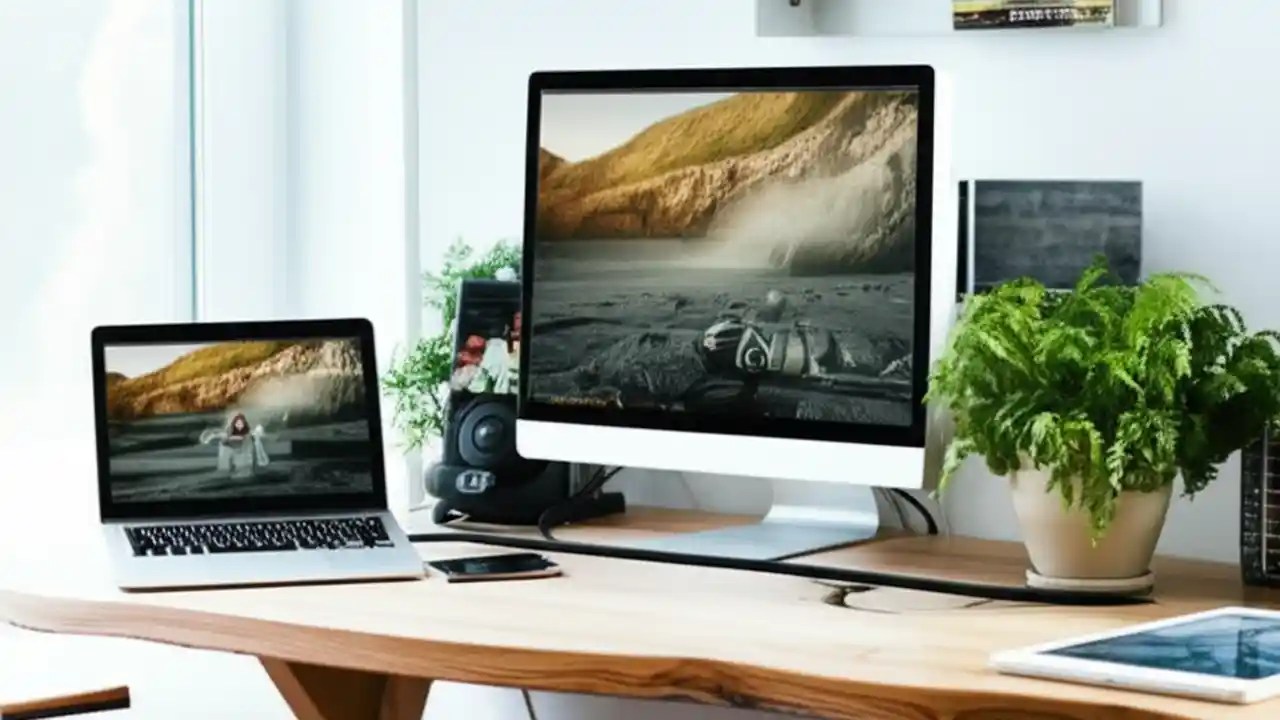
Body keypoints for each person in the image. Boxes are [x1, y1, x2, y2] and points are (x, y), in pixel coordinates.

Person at [200, 412, 270, 477]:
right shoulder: (226, 438)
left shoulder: (249, 436)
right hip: (238, 468)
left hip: (244, 468)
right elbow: (209, 438)